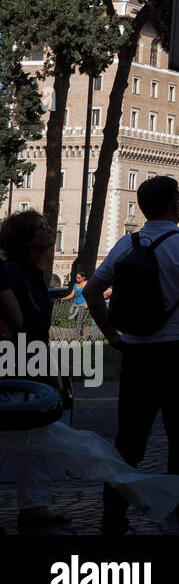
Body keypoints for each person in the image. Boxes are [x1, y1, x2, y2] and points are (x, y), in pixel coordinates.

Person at [84, 176, 179, 535]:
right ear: (175, 206)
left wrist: (112, 335)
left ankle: (112, 516)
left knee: (128, 442)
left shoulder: (126, 243)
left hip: (136, 353)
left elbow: (92, 292)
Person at [0, 210, 67, 527]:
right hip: (12, 364)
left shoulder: (32, 274)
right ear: (29, 241)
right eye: (42, 227)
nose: (50, 229)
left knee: (37, 434)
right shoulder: (12, 274)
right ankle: (34, 504)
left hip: (32, 362)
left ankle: (35, 505)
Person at [61, 270, 90, 337]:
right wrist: (64, 298)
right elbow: (72, 294)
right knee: (77, 320)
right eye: (76, 277)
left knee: (79, 321)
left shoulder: (87, 285)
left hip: (84, 305)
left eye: (79, 277)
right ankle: (81, 334)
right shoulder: (75, 285)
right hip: (76, 305)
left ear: (83, 278)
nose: (77, 279)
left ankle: (76, 336)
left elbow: (91, 295)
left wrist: (87, 303)